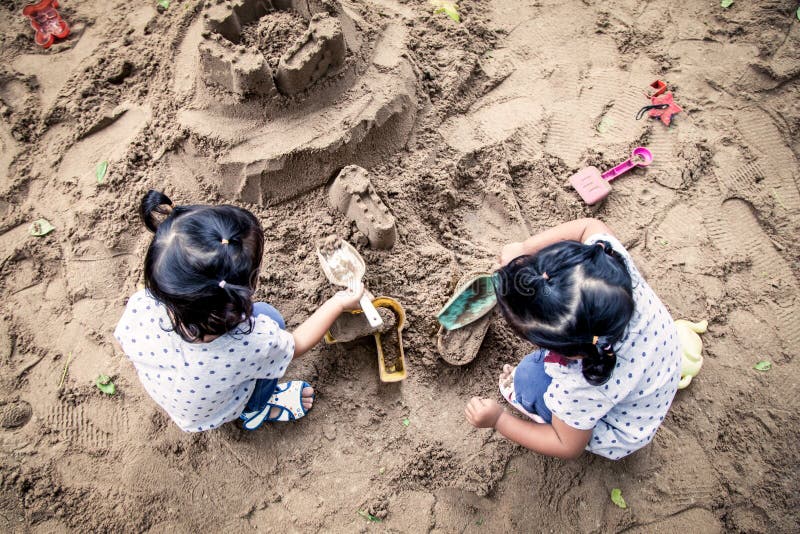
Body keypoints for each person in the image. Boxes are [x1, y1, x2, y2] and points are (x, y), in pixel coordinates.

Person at [113, 190, 364, 432]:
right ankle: (257, 410)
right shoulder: (251, 342)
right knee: (271, 317)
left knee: (261, 323)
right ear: (245, 288)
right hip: (217, 410)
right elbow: (296, 345)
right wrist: (338, 302)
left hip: (176, 397)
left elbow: (126, 341)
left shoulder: (141, 305)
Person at [464, 218, 681, 459]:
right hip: (658, 362)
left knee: (528, 378)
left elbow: (566, 445)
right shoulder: (608, 264)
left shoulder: (582, 384)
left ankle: (532, 402)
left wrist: (499, 420)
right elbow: (588, 226)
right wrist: (524, 250)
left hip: (622, 427)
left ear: (572, 351)